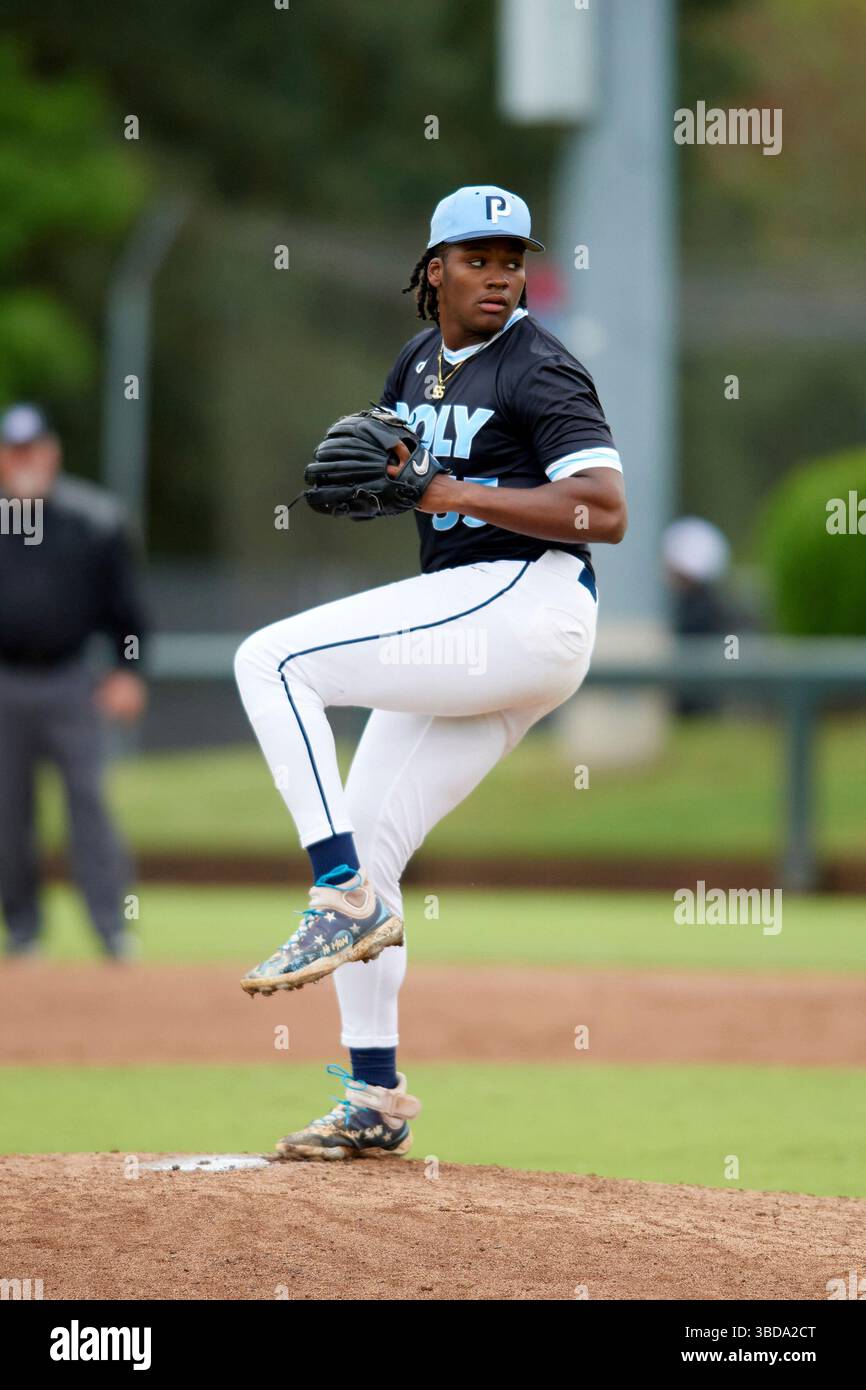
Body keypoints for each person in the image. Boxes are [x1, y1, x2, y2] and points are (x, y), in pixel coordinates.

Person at [234, 185, 627, 1159]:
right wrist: (385, 486)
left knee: (269, 656)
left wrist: (448, 488)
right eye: (477, 257)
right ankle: (374, 1096)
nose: (498, 275)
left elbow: (604, 509)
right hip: (478, 619)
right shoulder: (414, 363)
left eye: (510, 259)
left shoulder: (540, 367)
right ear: (432, 270)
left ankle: (336, 892)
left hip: (527, 604)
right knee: (372, 839)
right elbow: (403, 472)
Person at [0, 403, 148, 958]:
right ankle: (22, 931)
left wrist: (128, 670)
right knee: (8, 812)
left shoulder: (93, 521)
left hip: (69, 680)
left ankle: (111, 928)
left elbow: (127, 611)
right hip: (5, 681)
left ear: (52, 452)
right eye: (14, 452)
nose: (25, 462)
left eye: (33, 449)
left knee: (87, 803)